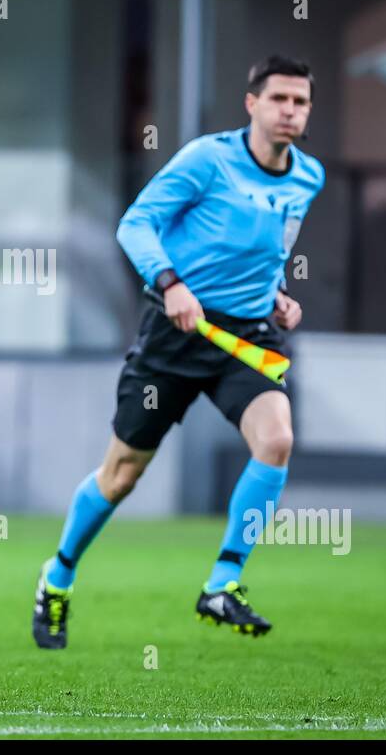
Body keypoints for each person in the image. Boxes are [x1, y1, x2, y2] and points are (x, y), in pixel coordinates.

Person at [31, 56, 323, 649]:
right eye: (280, 100)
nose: (290, 111)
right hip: (174, 333)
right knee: (121, 476)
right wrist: (172, 284)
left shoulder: (306, 177)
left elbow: (268, 251)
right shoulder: (207, 159)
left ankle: (223, 582)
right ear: (252, 104)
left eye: (301, 102)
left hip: (245, 338)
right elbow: (136, 223)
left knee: (277, 439)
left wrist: (279, 296)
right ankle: (57, 575)